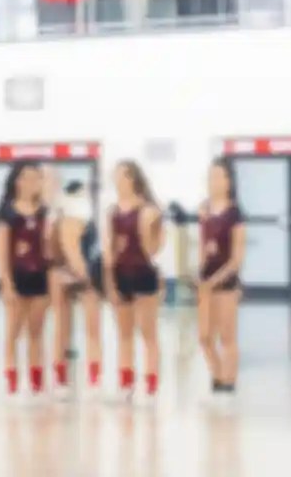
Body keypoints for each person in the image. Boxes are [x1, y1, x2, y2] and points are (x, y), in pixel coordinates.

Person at [102, 160, 164, 401]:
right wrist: (109, 283)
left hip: (144, 274)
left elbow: (153, 250)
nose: (117, 182)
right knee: (124, 334)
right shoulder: (113, 211)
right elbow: (109, 250)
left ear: (133, 179)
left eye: (122, 176)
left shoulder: (149, 210)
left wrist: (146, 228)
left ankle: (151, 385)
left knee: (148, 333)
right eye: (115, 177)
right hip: (121, 275)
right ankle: (125, 385)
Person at [0, 161, 52, 397]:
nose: (32, 183)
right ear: (17, 181)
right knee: (13, 332)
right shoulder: (7, 212)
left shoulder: (45, 212)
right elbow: (1, 251)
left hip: (40, 276)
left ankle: (37, 384)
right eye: (27, 177)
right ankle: (12, 382)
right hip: (17, 276)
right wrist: (6, 283)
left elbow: (49, 246)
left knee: (36, 332)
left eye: (37, 178)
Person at [49, 180, 105, 394]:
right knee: (84, 331)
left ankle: (71, 380)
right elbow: (71, 249)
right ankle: (85, 380)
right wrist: (87, 277)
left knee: (66, 330)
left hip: (64, 273)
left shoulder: (68, 216)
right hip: (75, 274)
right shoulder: (73, 217)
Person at [197, 157, 246, 398]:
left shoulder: (235, 214)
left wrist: (217, 279)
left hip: (225, 283)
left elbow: (236, 257)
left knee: (227, 337)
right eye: (210, 176)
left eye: (218, 176)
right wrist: (201, 276)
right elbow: (203, 245)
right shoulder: (204, 209)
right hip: (205, 282)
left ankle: (229, 381)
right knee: (204, 336)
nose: (213, 181)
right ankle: (217, 374)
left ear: (228, 180)